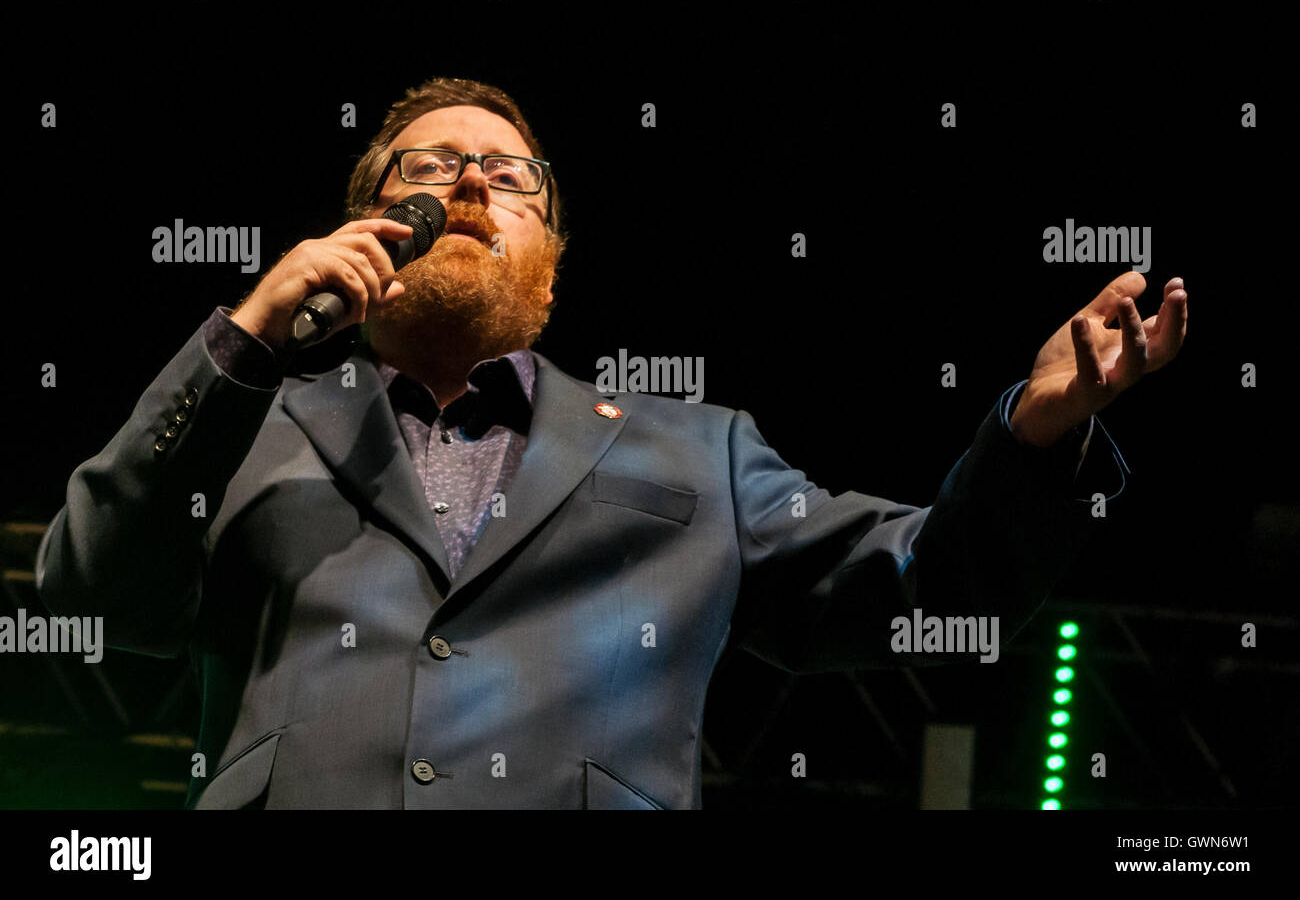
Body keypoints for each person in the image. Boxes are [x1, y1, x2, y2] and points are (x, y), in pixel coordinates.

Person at [34, 76, 1188, 809]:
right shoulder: (254, 427)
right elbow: (92, 593)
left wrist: (1036, 433)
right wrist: (241, 339)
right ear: (361, 227)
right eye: (426, 168)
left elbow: (934, 591)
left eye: (509, 172)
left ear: (552, 251)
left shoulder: (698, 451)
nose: (471, 178)